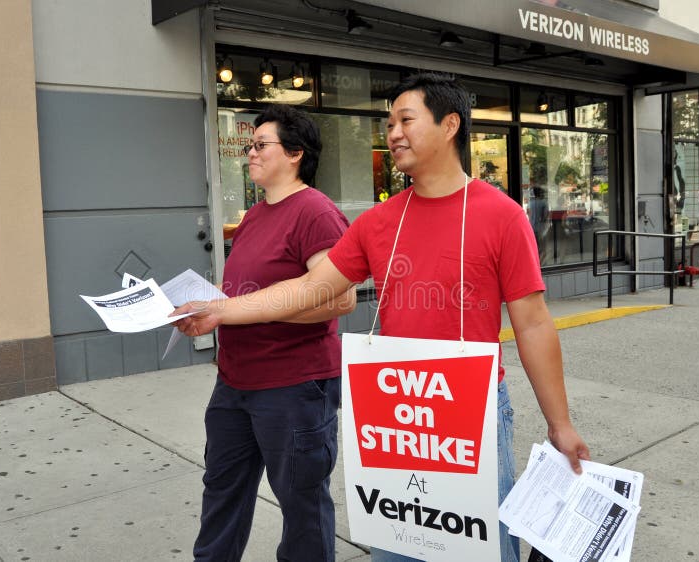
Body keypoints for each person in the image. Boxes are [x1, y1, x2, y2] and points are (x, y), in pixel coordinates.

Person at [174, 74, 589, 562]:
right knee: (398, 550)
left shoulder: (502, 216)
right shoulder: (378, 221)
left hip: (469, 410)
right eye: (388, 122)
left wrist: (559, 423)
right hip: (394, 413)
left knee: (477, 551)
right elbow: (311, 289)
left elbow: (534, 324)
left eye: (405, 120)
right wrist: (219, 311)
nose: (392, 132)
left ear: (450, 124)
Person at [190, 104, 355, 562]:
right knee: (221, 491)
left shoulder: (316, 212)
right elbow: (244, 295)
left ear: (295, 153)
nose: (250, 153)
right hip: (234, 384)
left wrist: (236, 312)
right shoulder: (255, 216)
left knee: (301, 505)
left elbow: (339, 299)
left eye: (261, 145)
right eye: (250, 145)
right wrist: (212, 311)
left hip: (293, 388)